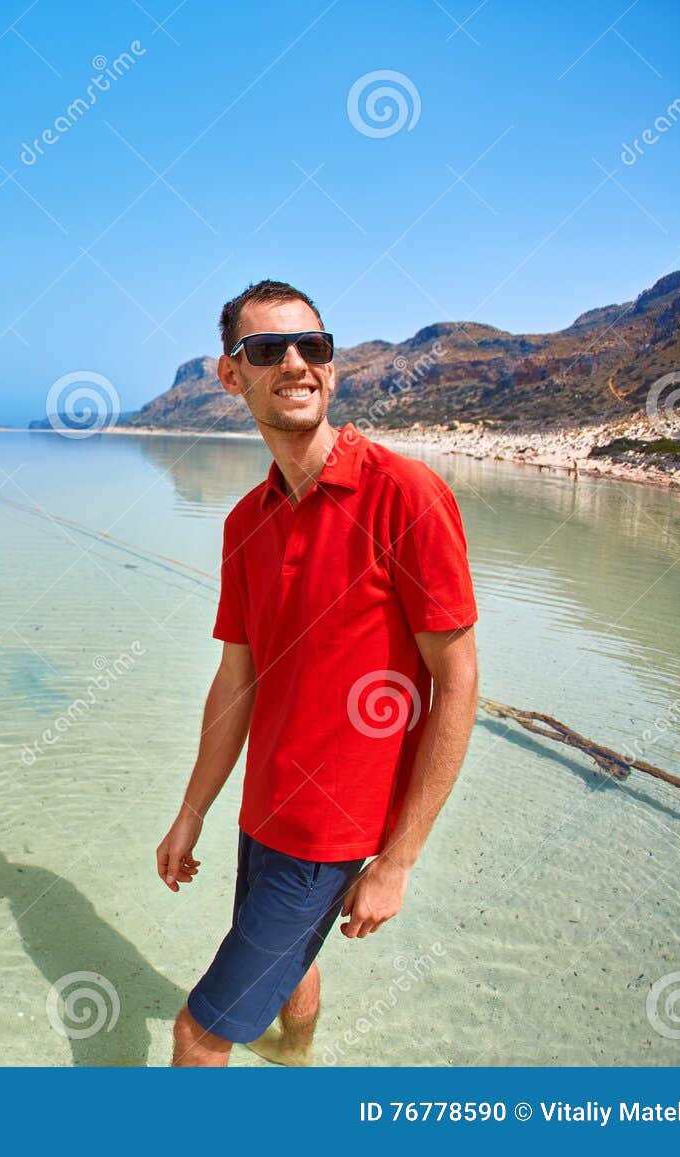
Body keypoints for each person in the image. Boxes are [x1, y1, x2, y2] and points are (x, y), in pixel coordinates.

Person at [155, 280, 479, 1067]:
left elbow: (459, 682)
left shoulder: (408, 496)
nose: (296, 364)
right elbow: (237, 679)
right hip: (263, 814)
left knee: (196, 1037)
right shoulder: (244, 522)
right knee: (292, 970)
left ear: (332, 368)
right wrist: (194, 808)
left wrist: (397, 860)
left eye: (314, 347)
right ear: (232, 376)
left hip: (328, 839)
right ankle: (297, 1064)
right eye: (269, 350)